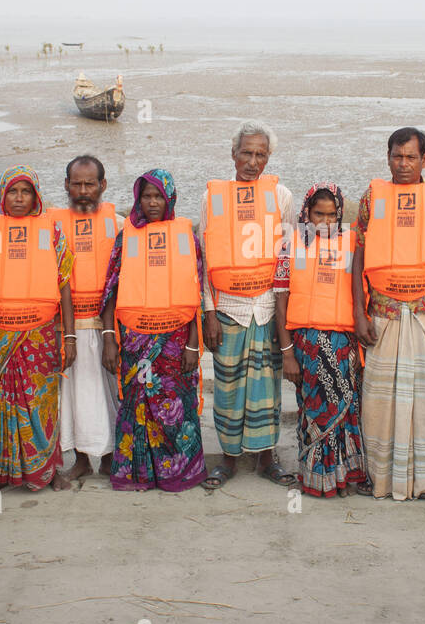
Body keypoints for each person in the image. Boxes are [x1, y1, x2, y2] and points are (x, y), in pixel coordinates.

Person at [353, 127, 425, 501]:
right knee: (380, 400)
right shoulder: (371, 199)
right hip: (382, 316)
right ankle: (381, 478)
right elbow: (358, 260)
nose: (403, 164)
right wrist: (358, 312)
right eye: (397, 156)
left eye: (411, 157)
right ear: (387, 157)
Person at [0, 166, 74, 491]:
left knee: (41, 401)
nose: (19, 198)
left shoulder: (51, 232)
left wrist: (69, 336)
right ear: (2, 195)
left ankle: (48, 471)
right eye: (13, 191)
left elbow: (64, 284)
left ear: (36, 195)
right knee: (0, 404)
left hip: (40, 336)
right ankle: (2, 471)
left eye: (26, 191)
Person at [199, 122, 296, 488]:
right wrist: (209, 314)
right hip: (229, 311)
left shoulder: (281, 196)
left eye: (260, 154)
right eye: (246, 153)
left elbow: (286, 259)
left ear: (268, 158)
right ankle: (227, 459)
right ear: (233, 154)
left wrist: (285, 315)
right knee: (227, 386)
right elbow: (206, 260)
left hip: (268, 309)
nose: (252, 161)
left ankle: (266, 457)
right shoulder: (213, 199)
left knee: (267, 388)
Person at [99, 170, 207, 492]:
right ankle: (138, 474)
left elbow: (197, 294)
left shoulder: (188, 238)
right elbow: (110, 292)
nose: (152, 202)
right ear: (138, 199)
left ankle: (179, 474)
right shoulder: (126, 237)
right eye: (146, 196)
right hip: (135, 339)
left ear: (171, 198)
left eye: (158, 195)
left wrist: (192, 344)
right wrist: (109, 339)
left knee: (176, 406)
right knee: (137, 403)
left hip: (175, 341)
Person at [274, 183, 367, 498]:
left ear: (339, 215)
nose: (325, 222)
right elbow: (281, 299)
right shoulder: (290, 244)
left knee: (344, 408)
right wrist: (287, 352)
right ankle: (318, 478)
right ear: (306, 213)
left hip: (341, 342)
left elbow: (358, 292)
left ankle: (343, 475)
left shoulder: (351, 244)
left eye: (331, 215)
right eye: (318, 214)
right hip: (306, 343)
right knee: (313, 409)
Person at [49, 155, 120, 480]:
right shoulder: (51, 226)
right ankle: (79, 458)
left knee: (107, 391)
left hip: (107, 326)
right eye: (76, 183)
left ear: (102, 185)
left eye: (89, 183)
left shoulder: (118, 223)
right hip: (66, 326)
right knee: (73, 396)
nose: (82, 190)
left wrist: (111, 336)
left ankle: (108, 458)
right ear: (66, 185)